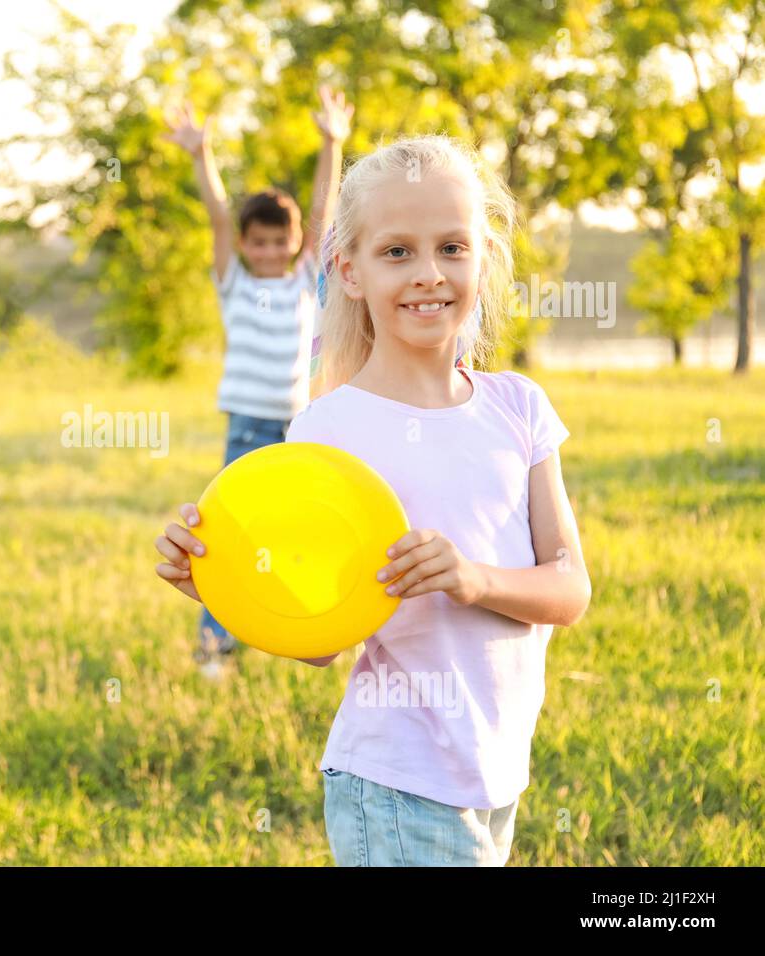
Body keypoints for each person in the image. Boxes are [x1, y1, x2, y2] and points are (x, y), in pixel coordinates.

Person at [153, 134, 592, 865]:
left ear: (483, 258)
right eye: (398, 252)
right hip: (395, 781)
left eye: (453, 247)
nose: (430, 273)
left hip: (494, 775)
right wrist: (213, 581)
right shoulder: (329, 428)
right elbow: (321, 640)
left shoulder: (519, 408)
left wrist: (472, 578)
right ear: (348, 271)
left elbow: (569, 587)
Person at [163, 85, 354, 678]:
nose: (271, 251)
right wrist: (201, 155)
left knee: (296, 529)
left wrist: (332, 143)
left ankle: (295, 625)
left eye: (281, 241)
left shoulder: (303, 281)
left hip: (299, 424)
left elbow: (325, 212)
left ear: (295, 244)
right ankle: (215, 644)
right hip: (247, 425)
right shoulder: (235, 283)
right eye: (259, 242)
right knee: (230, 534)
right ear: (245, 246)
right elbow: (217, 216)